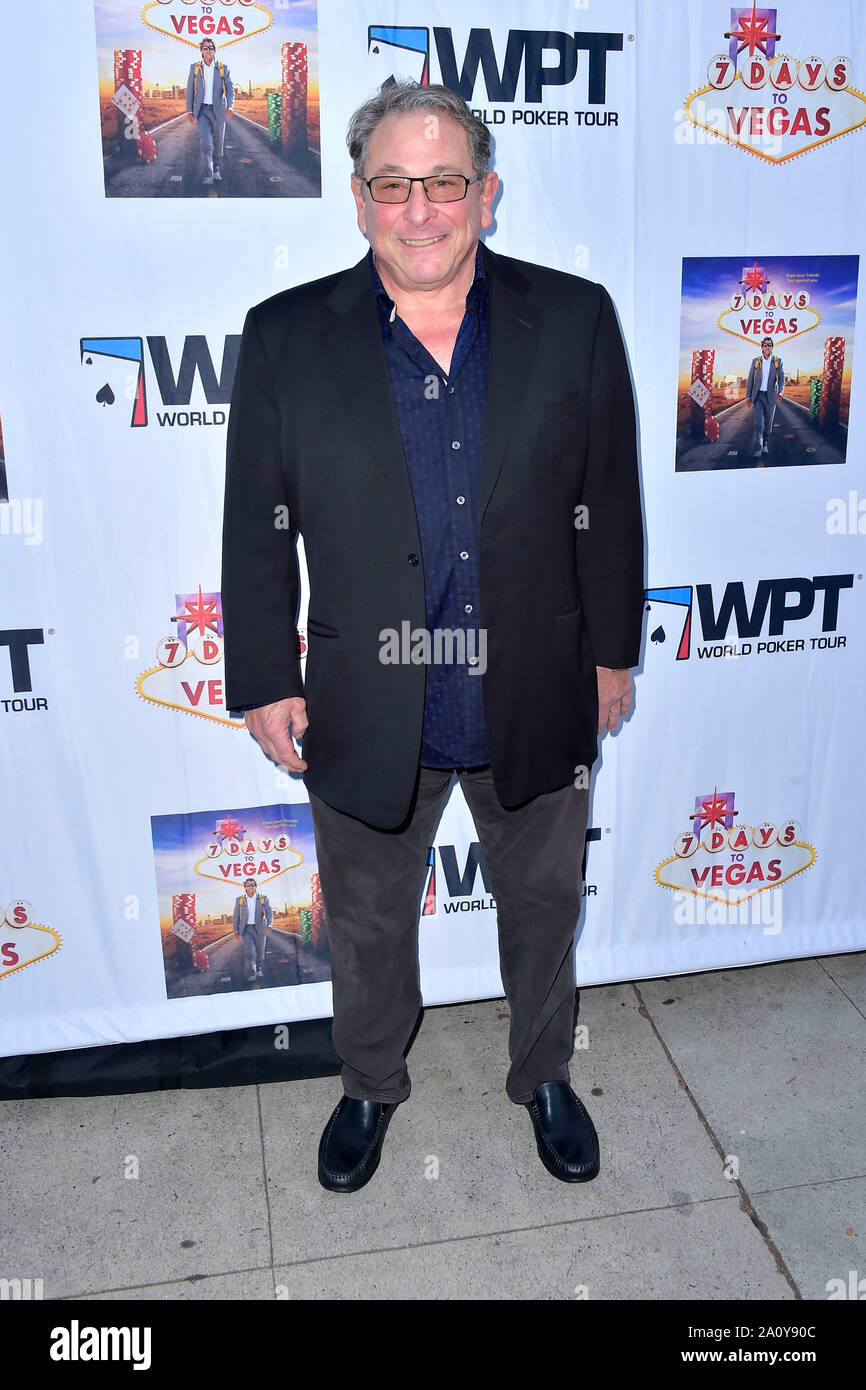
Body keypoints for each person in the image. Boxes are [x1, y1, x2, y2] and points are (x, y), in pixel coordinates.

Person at [221, 82, 644, 1193]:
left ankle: (544, 1074)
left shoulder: (577, 318)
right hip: (369, 699)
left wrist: (609, 654)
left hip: (534, 685)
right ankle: (367, 1084)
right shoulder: (280, 340)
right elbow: (253, 524)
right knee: (362, 926)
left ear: (486, 194)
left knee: (544, 913)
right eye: (394, 185)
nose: (421, 209)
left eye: (444, 181)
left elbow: (609, 500)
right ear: (357, 201)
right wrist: (264, 670)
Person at [185, 38, 234, 186]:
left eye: (210, 48)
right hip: (202, 112)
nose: (208, 50)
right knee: (206, 143)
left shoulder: (222, 68)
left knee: (218, 145)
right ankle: (208, 173)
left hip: (218, 111)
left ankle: (216, 168)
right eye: (205, 48)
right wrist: (189, 110)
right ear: (201, 50)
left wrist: (230, 106)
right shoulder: (194, 68)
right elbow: (189, 91)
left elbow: (230, 89)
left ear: (214, 50)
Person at [746, 336, 785, 458]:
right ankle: (758, 448)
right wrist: (748, 396)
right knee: (759, 424)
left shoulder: (778, 361)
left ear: (772, 347)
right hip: (758, 397)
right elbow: (750, 379)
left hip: (771, 397)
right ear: (762, 347)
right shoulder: (756, 361)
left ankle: (765, 444)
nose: (768, 347)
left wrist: (780, 392)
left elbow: (782, 379)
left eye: (770, 345)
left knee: (768, 425)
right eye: (765, 345)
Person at [232, 878, 273, 983]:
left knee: (260, 952)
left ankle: (259, 969)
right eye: (249, 885)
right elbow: (236, 916)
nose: (251, 886)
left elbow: (269, 912)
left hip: (260, 928)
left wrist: (269, 924)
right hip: (246, 930)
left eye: (253, 884)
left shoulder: (263, 898)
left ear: (256, 886)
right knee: (249, 952)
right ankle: (252, 972)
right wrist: (236, 931)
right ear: (245, 887)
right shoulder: (240, 900)